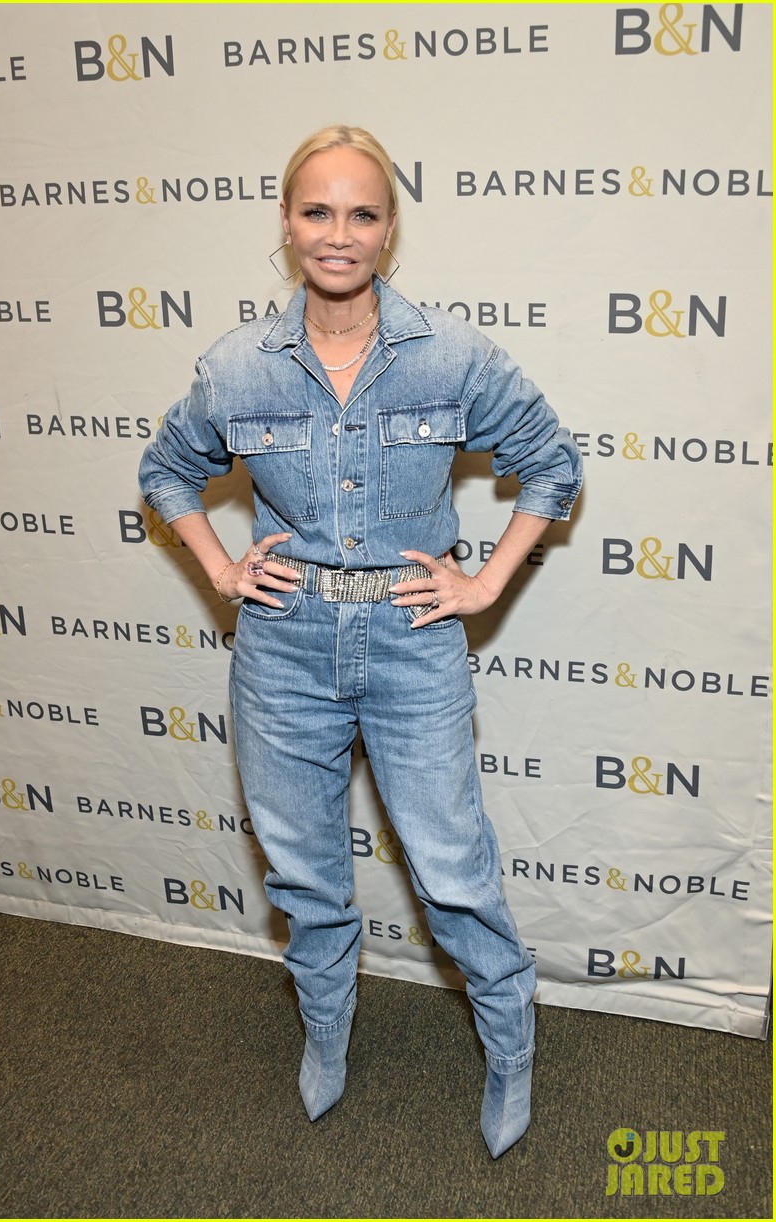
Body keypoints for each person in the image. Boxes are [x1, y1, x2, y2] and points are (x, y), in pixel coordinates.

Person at [139, 124, 582, 1158]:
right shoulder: (238, 366)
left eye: (361, 213)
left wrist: (483, 583)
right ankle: (327, 1032)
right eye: (317, 211)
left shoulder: (451, 355)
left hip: (411, 638)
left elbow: (551, 462)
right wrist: (221, 569)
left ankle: (509, 1045)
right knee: (302, 872)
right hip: (283, 645)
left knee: (451, 869)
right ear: (287, 223)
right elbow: (166, 469)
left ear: (388, 230)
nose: (337, 234)